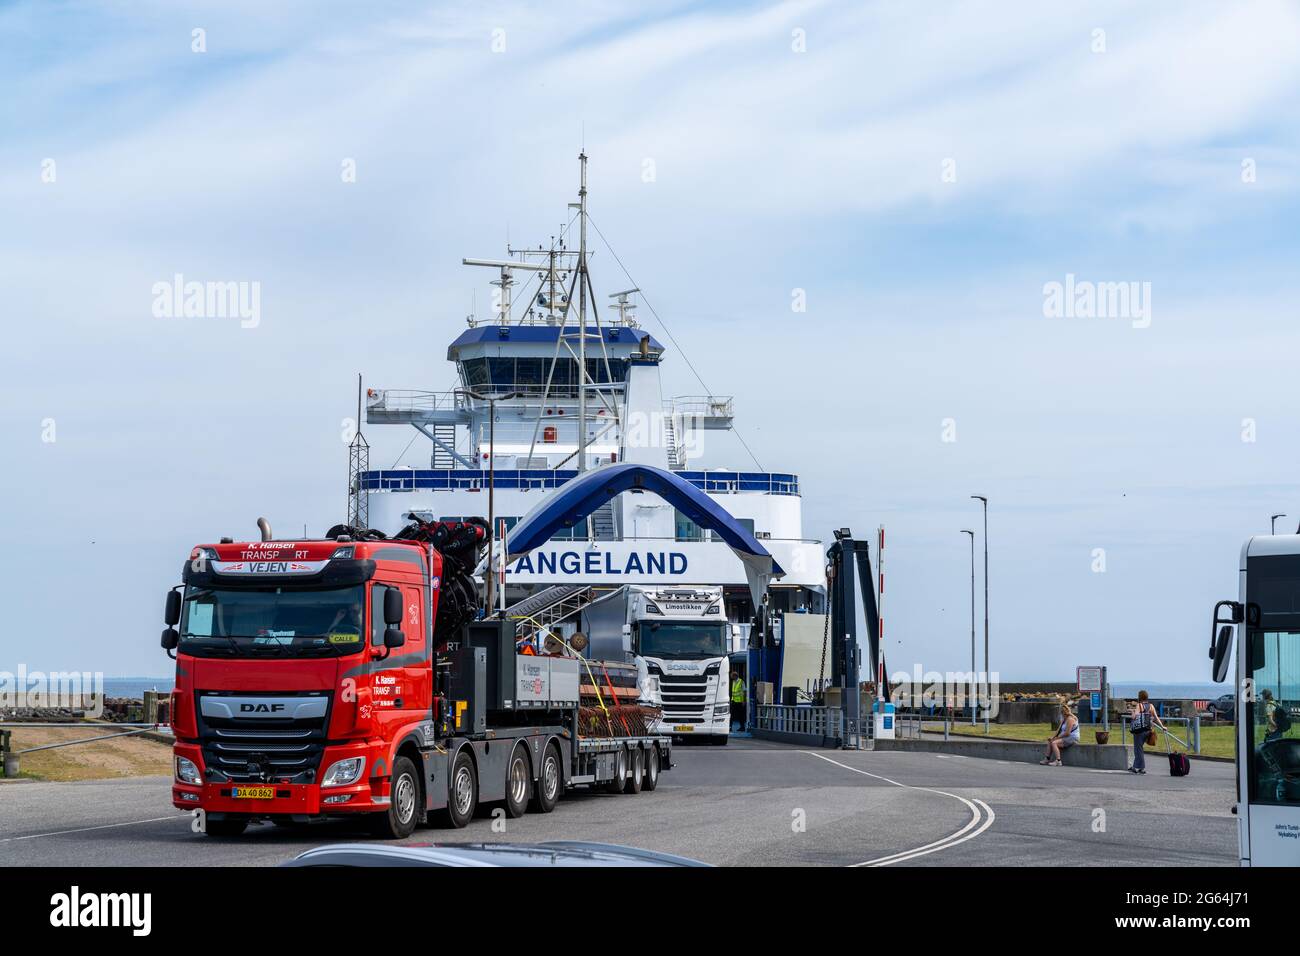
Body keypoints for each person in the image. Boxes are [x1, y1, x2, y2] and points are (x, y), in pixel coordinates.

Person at [1128, 690, 1166, 774]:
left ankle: (1139, 768)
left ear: (1140, 697)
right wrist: (1162, 726)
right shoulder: (1151, 706)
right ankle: (1137, 766)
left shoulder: (1139, 705)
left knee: (1138, 749)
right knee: (1139, 749)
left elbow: (1134, 717)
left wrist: (1132, 712)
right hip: (1148, 730)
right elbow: (1156, 718)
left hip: (1139, 730)